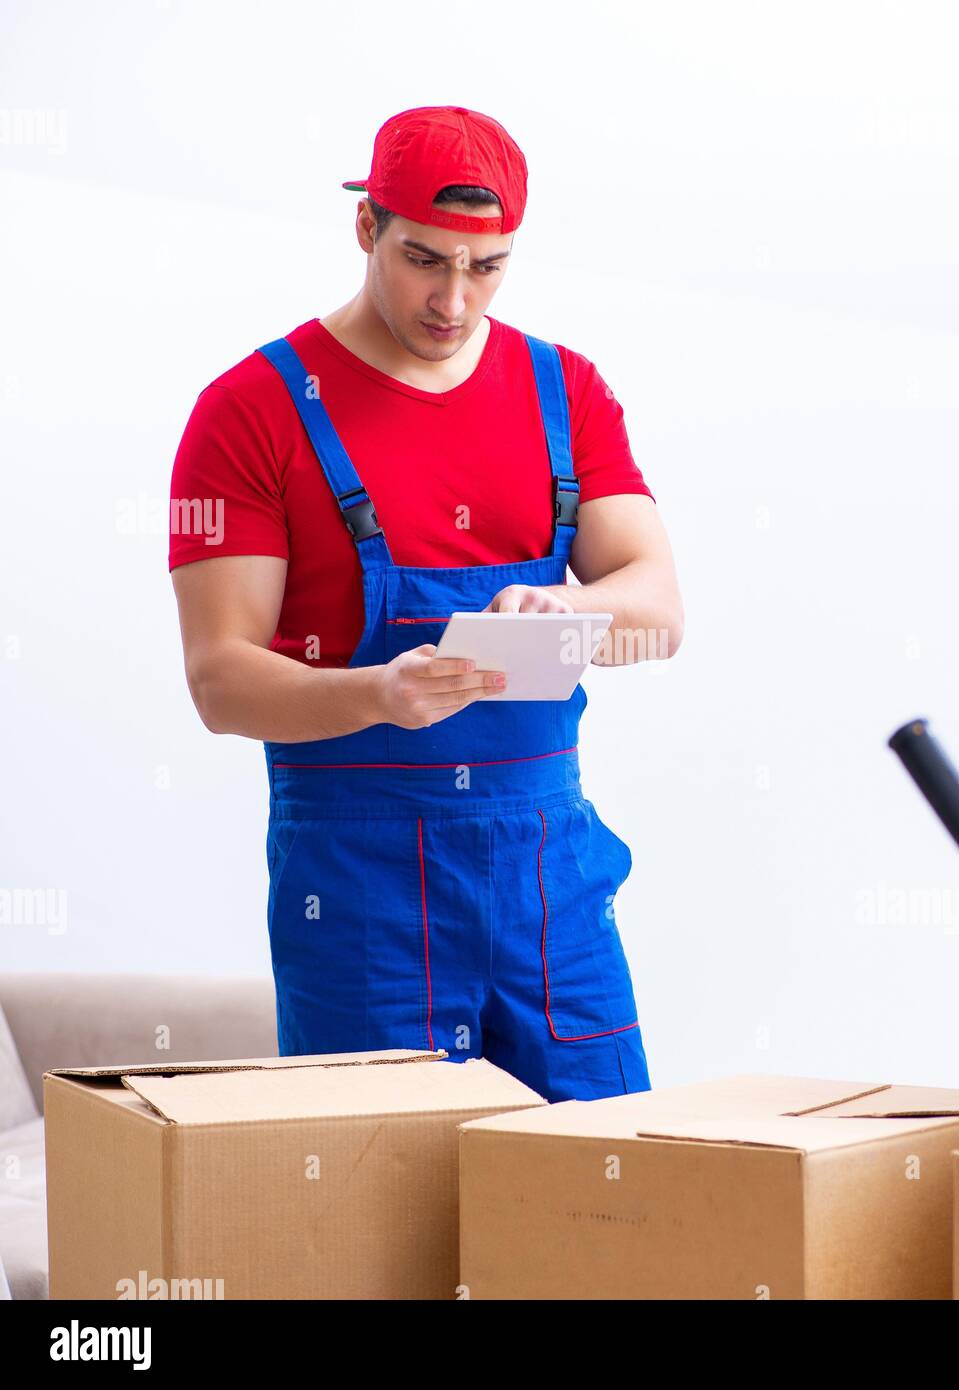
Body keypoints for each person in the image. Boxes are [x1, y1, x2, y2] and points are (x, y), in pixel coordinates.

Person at [168, 106, 683, 1102]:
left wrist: (569, 616)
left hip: (550, 884)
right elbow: (219, 680)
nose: (453, 299)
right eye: (423, 258)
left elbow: (658, 602)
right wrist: (375, 693)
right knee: (378, 1218)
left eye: (484, 266)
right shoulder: (253, 410)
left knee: (609, 1201)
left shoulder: (561, 391)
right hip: (358, 892)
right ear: (366, 227)